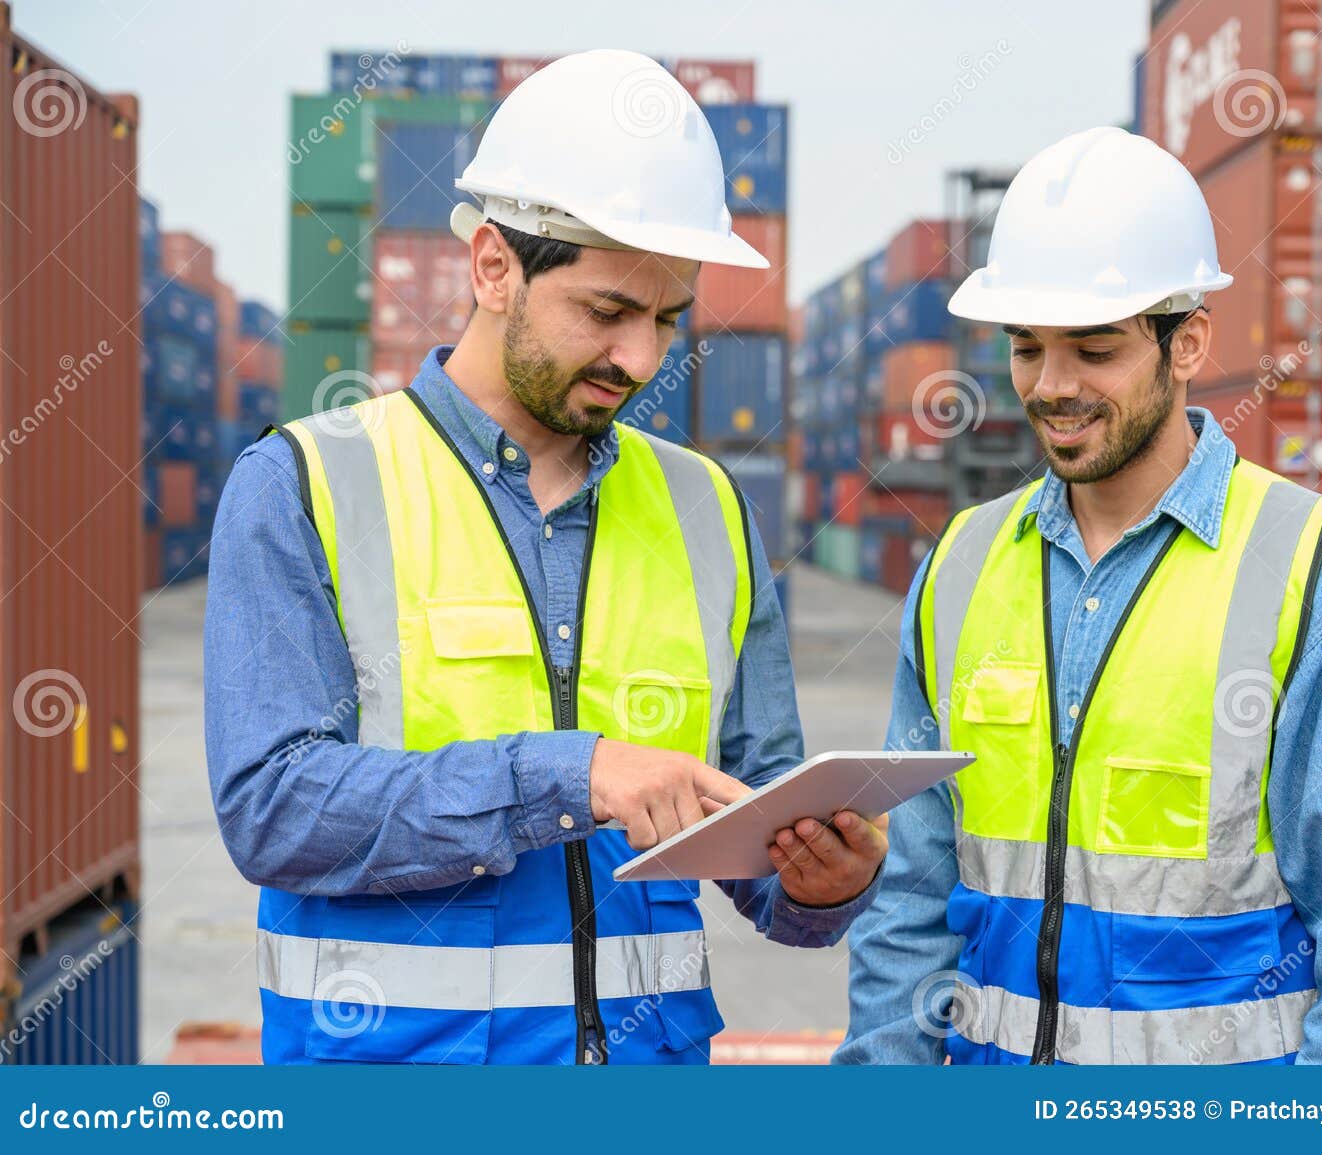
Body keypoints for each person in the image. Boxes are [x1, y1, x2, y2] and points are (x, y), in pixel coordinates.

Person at [204, 50, 885, 1066]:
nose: (641, 360)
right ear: (493, 267)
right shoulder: (303, 483)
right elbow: (273, 812)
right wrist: (570, 774)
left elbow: (752, 827)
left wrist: (819, 884)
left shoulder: (708, 508)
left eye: (667, 320)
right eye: (607, 312)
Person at [835, 126, 1322, 1065]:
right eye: (1027, 348)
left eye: (1094, 348)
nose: (1053, 386)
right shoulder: (959, 566)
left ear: (1187, 340)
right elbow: (911, 905)